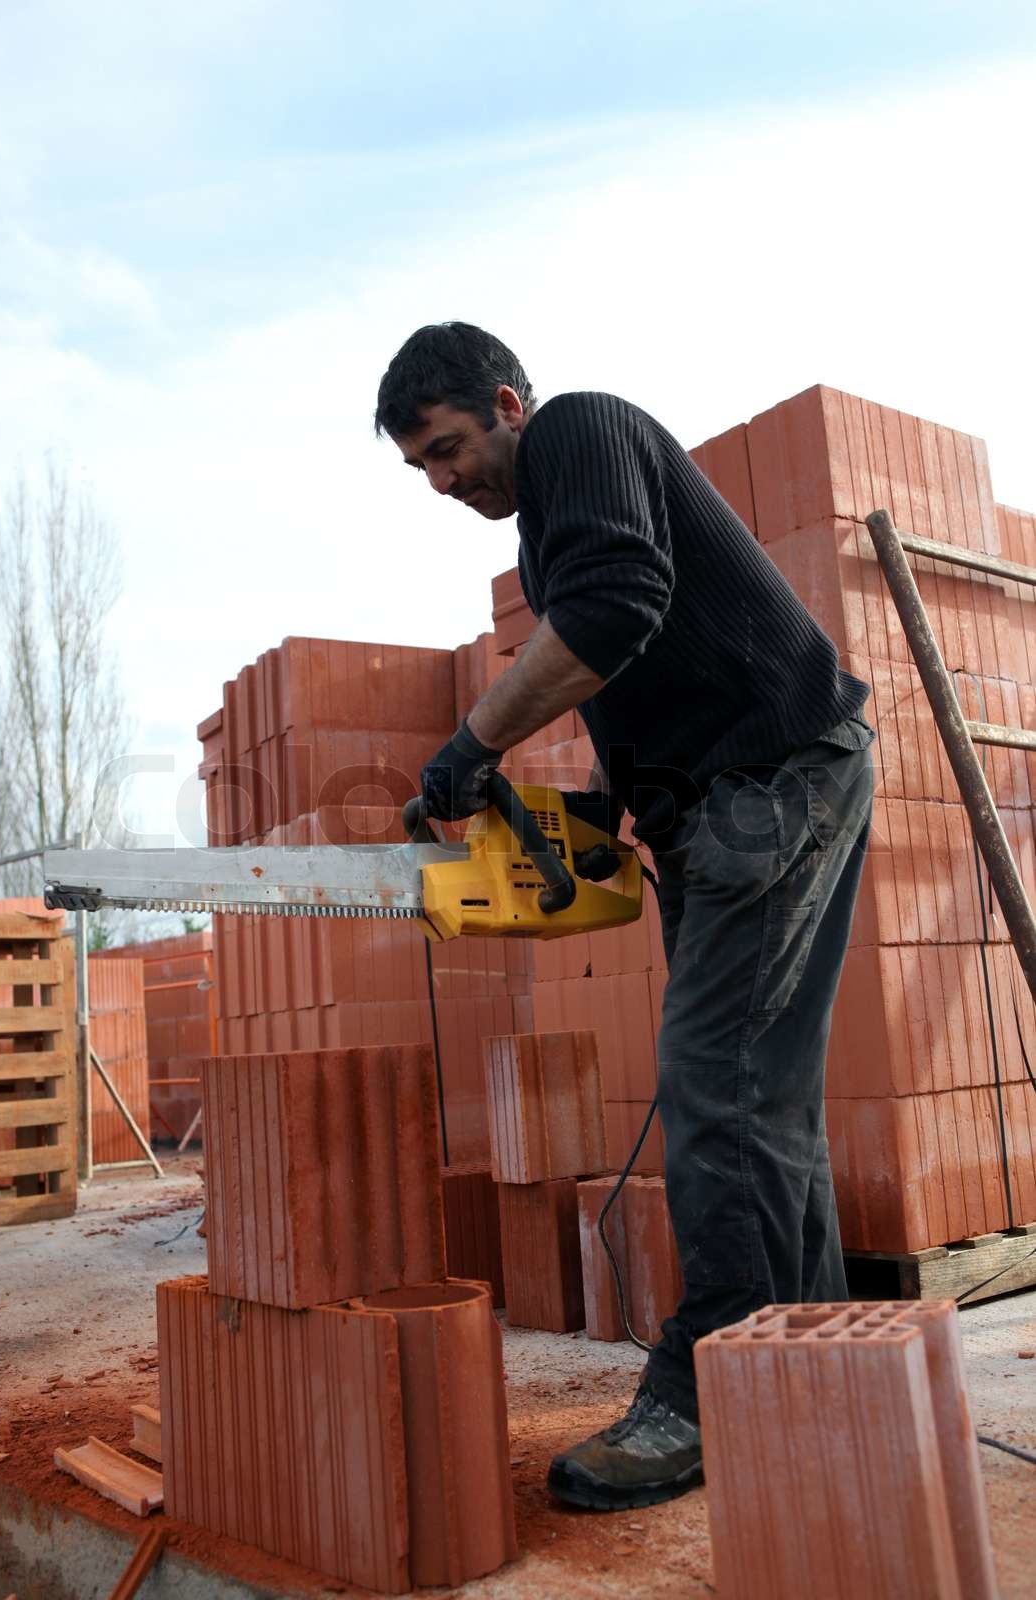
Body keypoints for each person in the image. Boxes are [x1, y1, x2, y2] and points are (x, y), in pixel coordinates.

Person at [374, 322, 875, 1512]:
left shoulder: (578, 429)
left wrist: (471, 744)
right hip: (724, 798)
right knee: (759, 1095)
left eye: (445, 448)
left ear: (506, 403)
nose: (440, 482)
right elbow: (642, 658)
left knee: (714, 1082)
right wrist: (593, 809)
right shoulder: (549, 521)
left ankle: (703, 1394)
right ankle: (811, 1361)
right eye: (419, 468)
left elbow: (615, 608)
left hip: (769, 778)